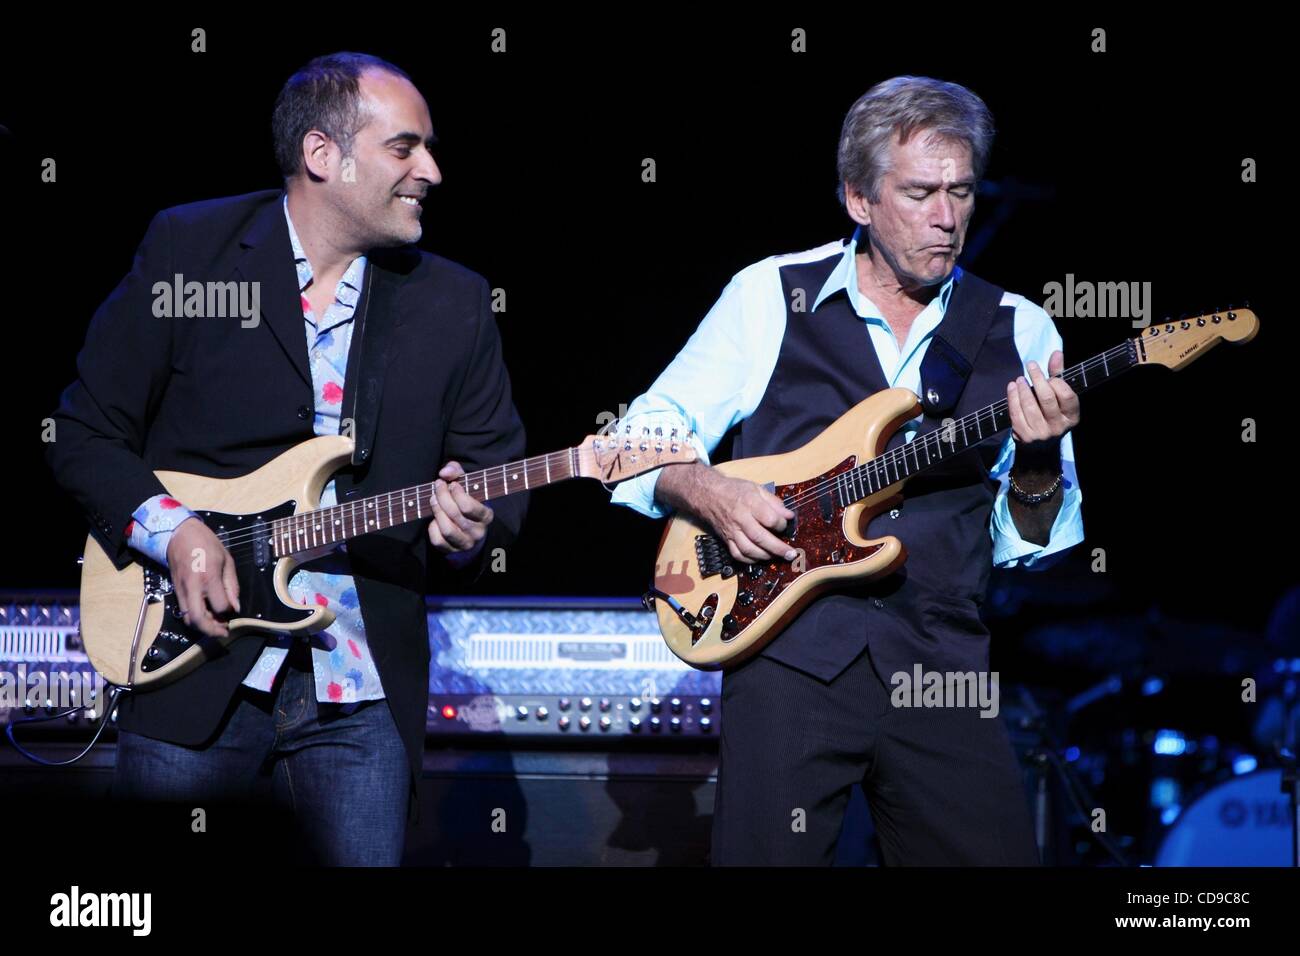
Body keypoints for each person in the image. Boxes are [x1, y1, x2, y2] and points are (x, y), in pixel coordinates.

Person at [45, 52, 527, 865]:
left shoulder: (455, 301)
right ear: (321, 155)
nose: (432, 171)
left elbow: (493, 476)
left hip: (361, 694)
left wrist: (473, 527)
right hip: (190, 668)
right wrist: (177, 533)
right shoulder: (191, 251)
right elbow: (85, 431)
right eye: (405, 148)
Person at [611, 76, 1084, 865]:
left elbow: (1026, 536)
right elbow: (632, 442)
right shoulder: (769, 295)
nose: (947, 216)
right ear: (859, 200)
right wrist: (709, 489)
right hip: (788, 655)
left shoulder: (1020, 327)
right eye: (921, 192)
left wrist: (1037, 459)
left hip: (941, 665)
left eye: (961, 192)